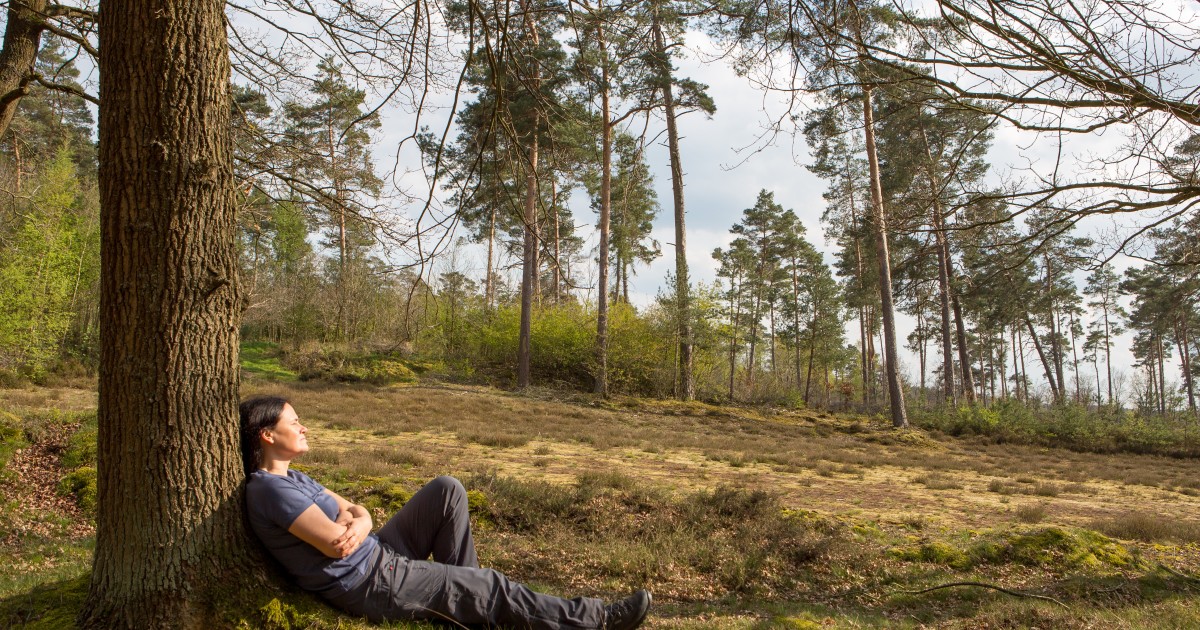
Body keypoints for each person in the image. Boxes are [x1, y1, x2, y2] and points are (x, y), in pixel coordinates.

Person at [239, 395, 652, 629]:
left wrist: (360, 519)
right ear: (268, 434)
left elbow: (351, 511)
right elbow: (336, 545)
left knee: (447, 490)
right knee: (491, 585)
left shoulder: (295, 477)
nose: (304, 427)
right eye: (295, 422)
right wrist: (353, 523)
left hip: (380, 553)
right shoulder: (270, 491)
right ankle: (597, 620)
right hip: (370, 582)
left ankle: (469, 605)